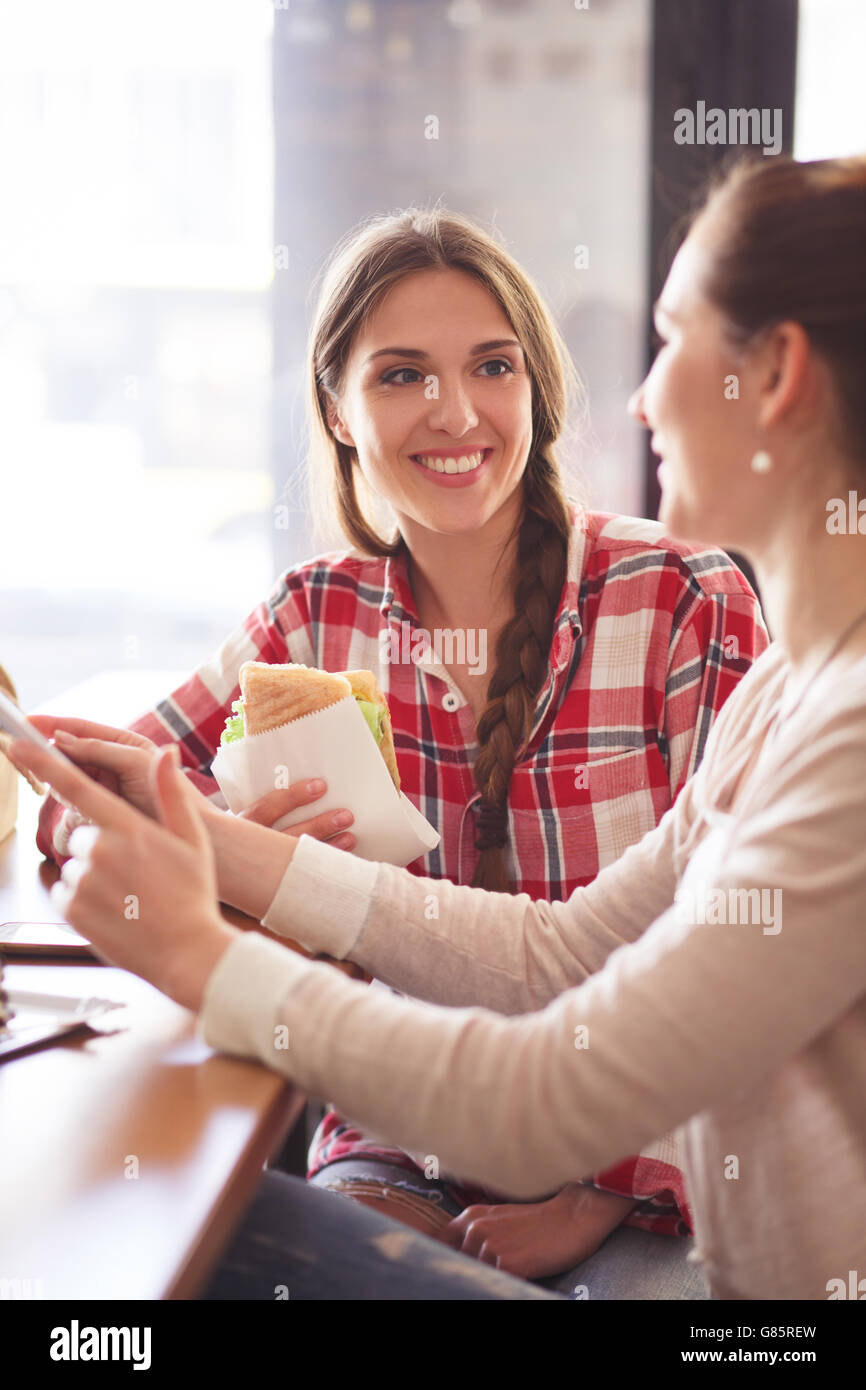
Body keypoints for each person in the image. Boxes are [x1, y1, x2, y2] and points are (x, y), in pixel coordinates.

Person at [27, 187, 780, 1296]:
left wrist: (603, 1188)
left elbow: (733, 965)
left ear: (536, 388)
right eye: (399, 375)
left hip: (639, 1159)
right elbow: (104, 798)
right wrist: (223, 846)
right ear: (336, 409)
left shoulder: (681, 600)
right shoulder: (311, 617)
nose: (454, 411)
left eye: (490, 366)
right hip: (395, 1135)